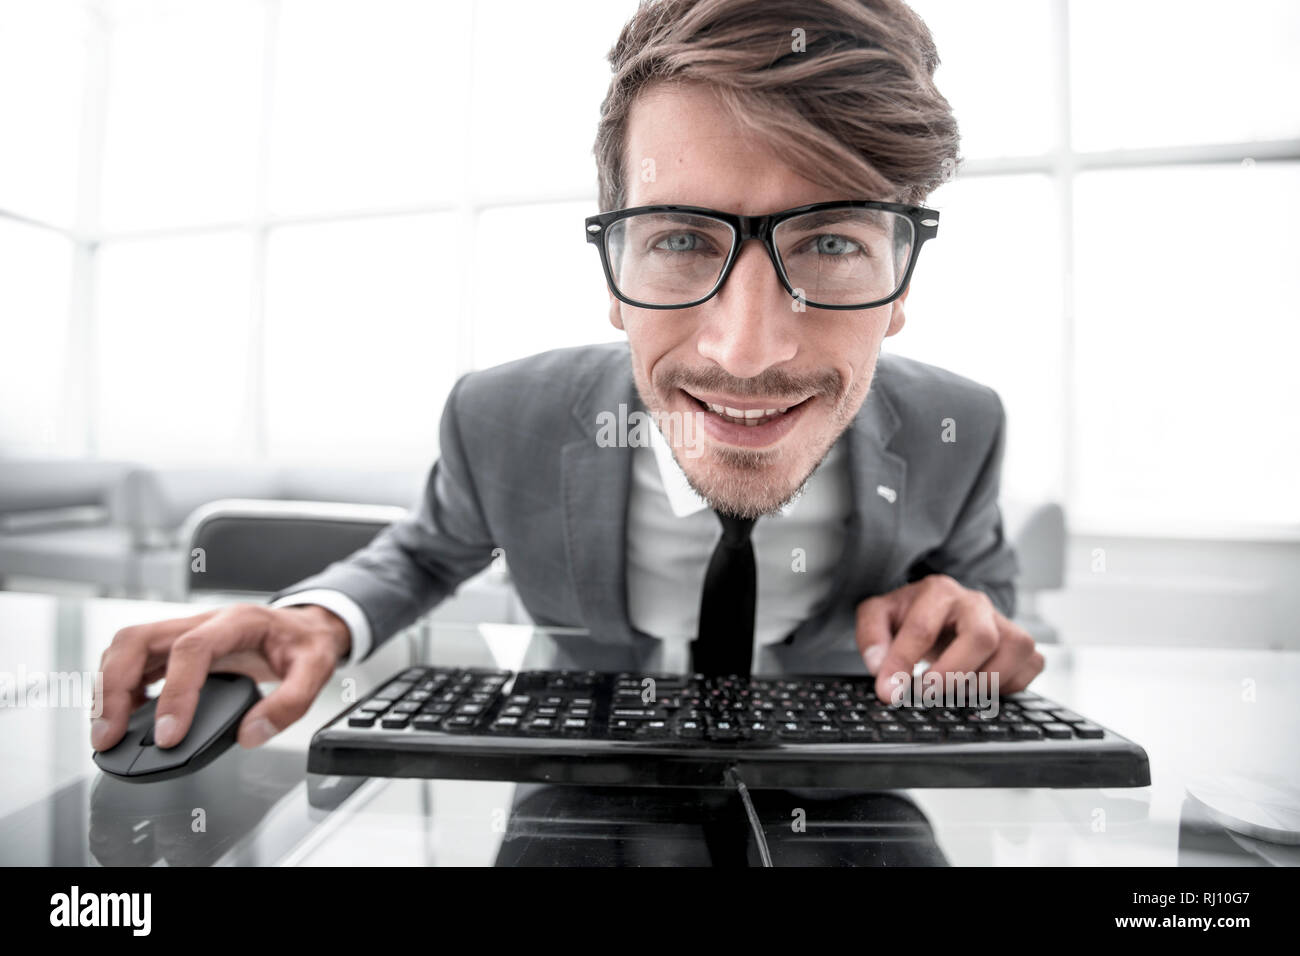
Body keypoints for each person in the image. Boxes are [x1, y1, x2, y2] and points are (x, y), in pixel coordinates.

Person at [92, 0, 1042, 757]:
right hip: (575, 781)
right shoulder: (500, 417)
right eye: (679, 238)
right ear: (612, 278)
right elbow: (423, 556)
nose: (746, 352)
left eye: (832, 242)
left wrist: (980, 633)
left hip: (844, 796)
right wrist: (319, 621)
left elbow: (990, 593)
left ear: (902, 282)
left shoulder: (961, 427)